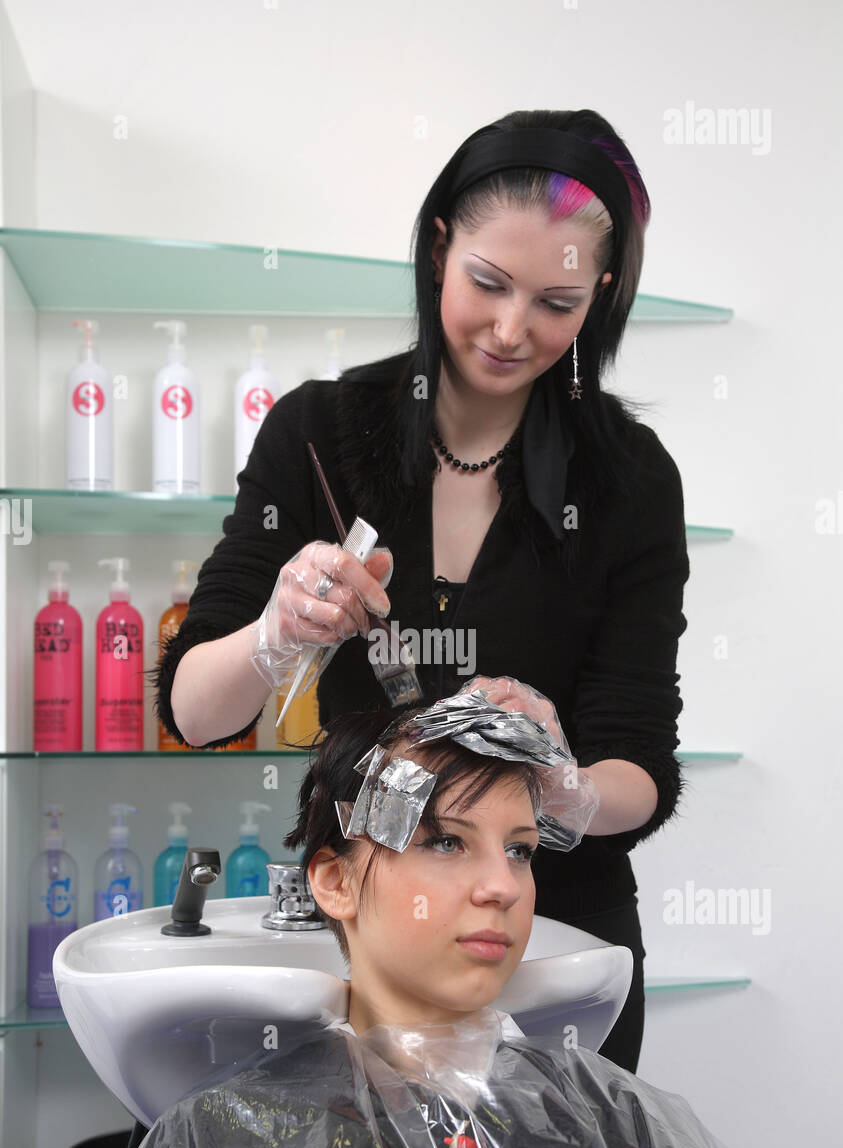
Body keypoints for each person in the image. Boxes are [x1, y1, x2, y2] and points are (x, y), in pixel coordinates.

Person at [152, 108, 692, 1073]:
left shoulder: (630, 478)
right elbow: (194, 710)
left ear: (600, 296)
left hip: (552, 942)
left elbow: (641, 770)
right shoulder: (314, 433)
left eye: (557, 302)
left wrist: (562, 786)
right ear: (438, 245)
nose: (512, 329)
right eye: (487, 282)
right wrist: (275, 633)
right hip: (375, 949)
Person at [46, 698, 842, 1148]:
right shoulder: (223, 1145)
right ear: (334, 880)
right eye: (443, 841)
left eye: (521, 850)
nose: (501, 886)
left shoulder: (610, 1125)